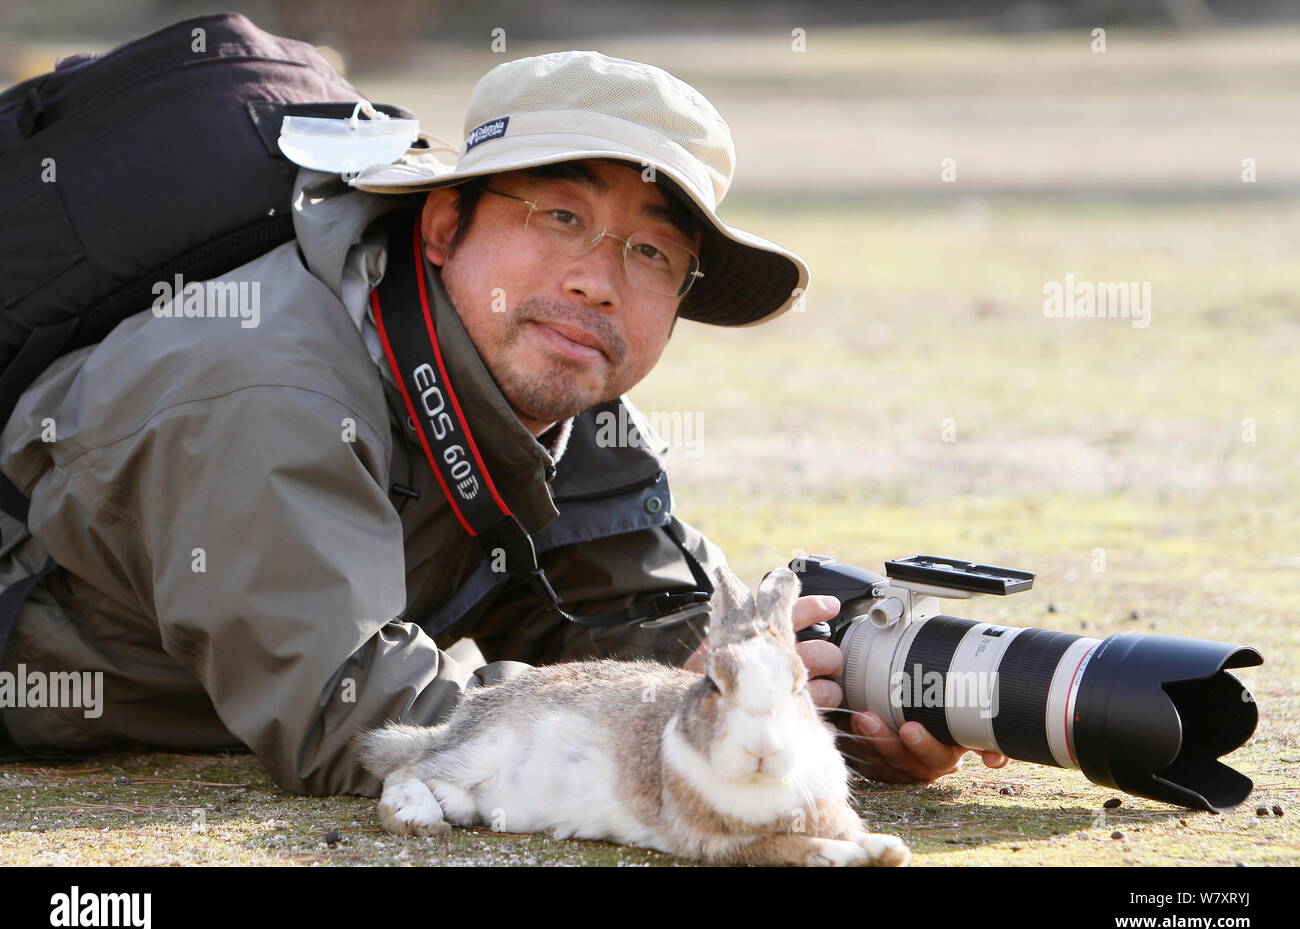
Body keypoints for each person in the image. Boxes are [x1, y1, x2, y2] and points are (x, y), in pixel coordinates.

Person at [0, 50, 1006, 795]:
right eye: (560, 216)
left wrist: (816, 707)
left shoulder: (540, 382)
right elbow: (366, 727)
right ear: (443, 226)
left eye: (651, 253)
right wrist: (673, 725)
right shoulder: (266, 391)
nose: (597, 282)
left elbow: (633, 624)